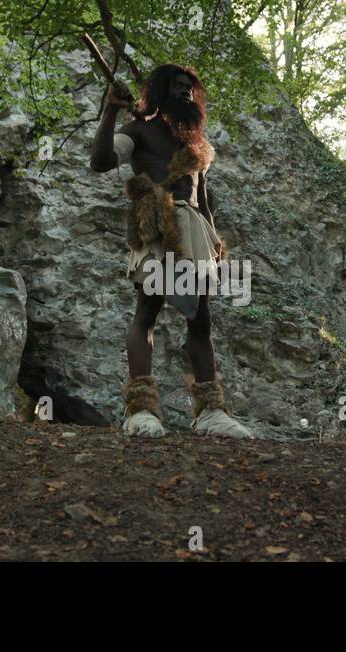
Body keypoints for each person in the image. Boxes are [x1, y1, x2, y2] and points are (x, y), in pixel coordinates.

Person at [89, 63, 252, 439]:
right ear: (160, 92)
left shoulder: (196, 143)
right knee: (147, 313)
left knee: (201, 322)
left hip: (196, 233)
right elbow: (100, 162)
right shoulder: (139, 131)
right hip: (159, 226)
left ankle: (211, 412)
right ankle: (141, 410)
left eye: (189, 87)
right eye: (177, 86)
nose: (185, 92)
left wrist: (217, 250)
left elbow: (203, 200)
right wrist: (111, 110)